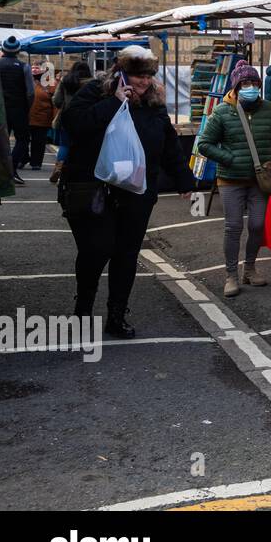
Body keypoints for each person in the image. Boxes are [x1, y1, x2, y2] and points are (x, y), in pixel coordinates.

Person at [59, 45, 196, 337]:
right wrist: (113, 102)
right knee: (97, 249)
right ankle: (82, 311)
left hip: (136, 190)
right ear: (121, 72)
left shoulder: (154, 102)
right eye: (137, 75)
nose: (144, 81)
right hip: (96, 188)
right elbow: (72, 125)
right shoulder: (97, 91)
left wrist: (185, 178)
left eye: (148, 75)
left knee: (126, 254)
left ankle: (117, 315)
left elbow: (168, 142)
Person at [196, 60, 271, 298]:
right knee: (233, 227)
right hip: (231, 179)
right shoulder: (222, 111)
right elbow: (204, 144)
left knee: (257, 225)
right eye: (245, 83)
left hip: (260, 179)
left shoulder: (268, 109)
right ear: (236, 87)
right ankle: (231, 275)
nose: (250, 87)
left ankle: (250, 268)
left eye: (254, 83)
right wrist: (228, 158)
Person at [50, 60, 93, 186]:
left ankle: (59, 169)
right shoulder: (93, 83)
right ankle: (77, 174)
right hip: (87, 118)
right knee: (83, 146)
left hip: (67, 118)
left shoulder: (65, 81)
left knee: (65, 145)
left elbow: (57, 101)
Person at [0, 35, 33, 182]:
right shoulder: (24, 67)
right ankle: (11, 167)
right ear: (17, 51)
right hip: (19, 108)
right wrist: (27, 107)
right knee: (23, 139)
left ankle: (5, 170)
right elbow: (30, 92)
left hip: (1, 108)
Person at [27, 63, 56, 170]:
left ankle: (36, 162)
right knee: (24, 140)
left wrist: (54, 117)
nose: (35, 69)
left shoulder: (50, 83)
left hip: (42, 117)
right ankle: (25, 159)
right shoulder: (27, 80)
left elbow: (54, 101)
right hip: (28, 115)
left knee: (38, 142)